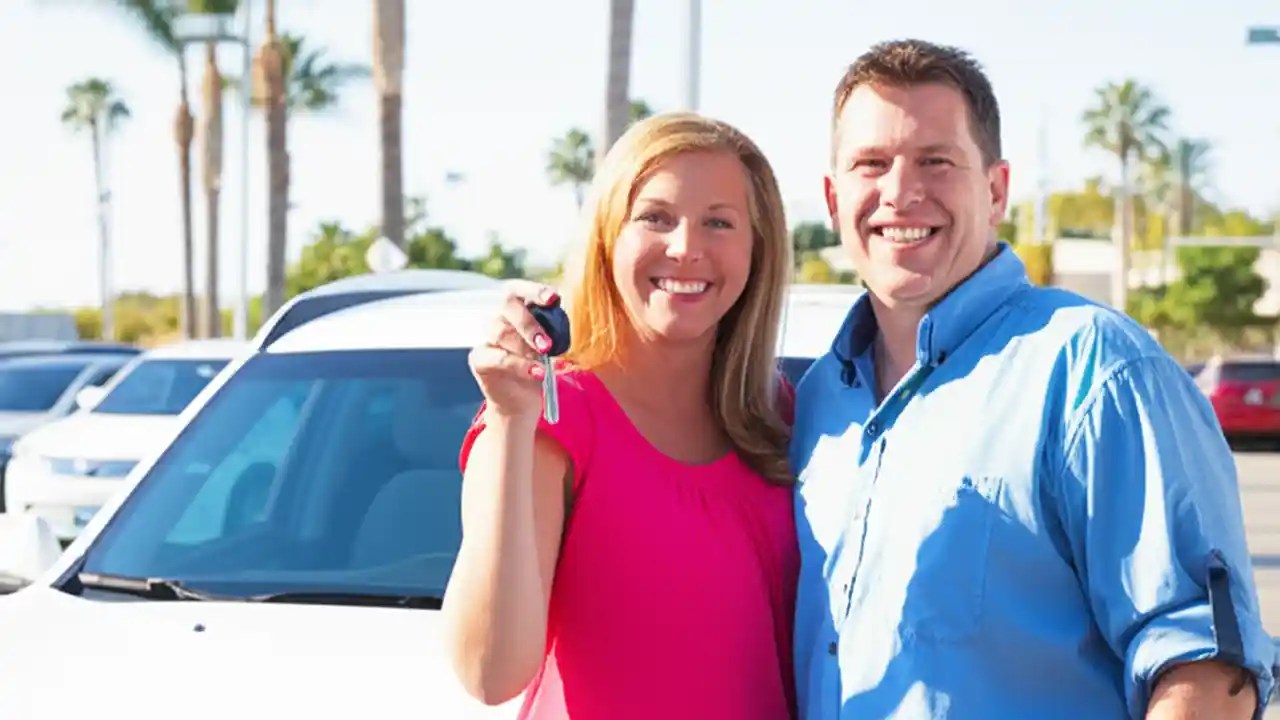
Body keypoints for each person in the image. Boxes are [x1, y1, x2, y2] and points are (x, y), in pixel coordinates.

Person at [790, 38, 1278, 719]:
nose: (900, 192)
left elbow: (1206, 672)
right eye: (872, 165)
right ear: (833, 197)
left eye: (936, 161)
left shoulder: (1096, 371)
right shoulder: (817, 404)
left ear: (995, 190)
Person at [442, 112, 800, 719]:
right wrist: (509, 421)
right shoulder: (547, 417)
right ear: (608, 235)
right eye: (655, 218)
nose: (687, 247)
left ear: (755, 249)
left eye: (719, 221)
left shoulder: (785, 415)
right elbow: (489, 673)